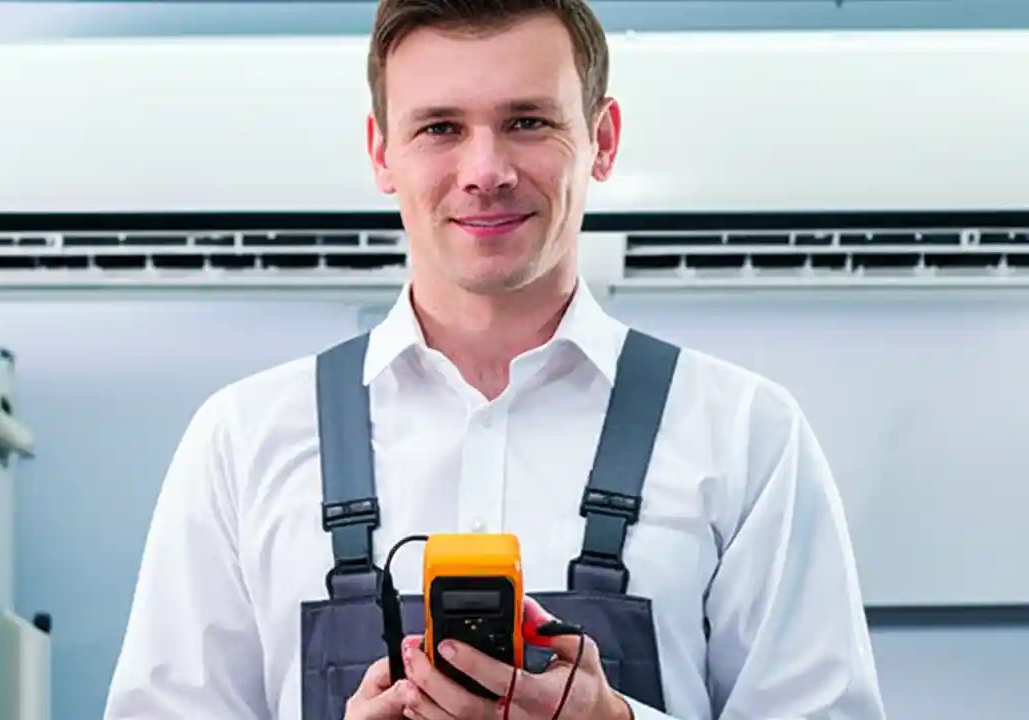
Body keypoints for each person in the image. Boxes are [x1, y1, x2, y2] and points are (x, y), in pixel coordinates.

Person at [103, 0, 888, 718]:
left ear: (601, 141)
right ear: (382, 153)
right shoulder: (244, 441)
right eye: (440, 127)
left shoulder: (746, 435)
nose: (485, 171)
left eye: (528, 123)